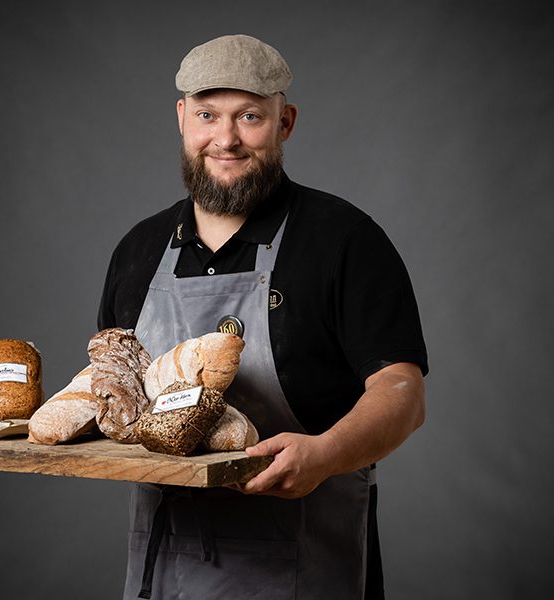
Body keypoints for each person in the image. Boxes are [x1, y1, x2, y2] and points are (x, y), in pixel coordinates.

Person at [97, 33, 428, 599]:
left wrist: (326, 454)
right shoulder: (137, 250)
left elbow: (403, 389)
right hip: (163, 572)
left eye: (249, 116)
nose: (225, 139)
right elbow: (113, 388)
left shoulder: (343, 240)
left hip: (304, 569)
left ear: (286, 121)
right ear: (182, 118)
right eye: (208, 115)